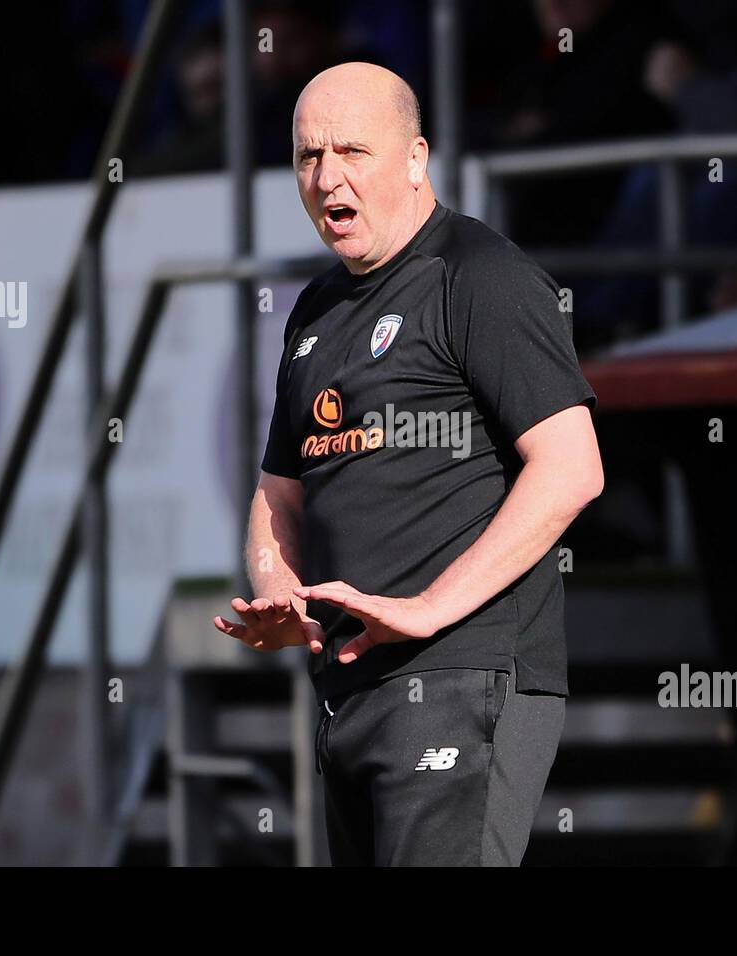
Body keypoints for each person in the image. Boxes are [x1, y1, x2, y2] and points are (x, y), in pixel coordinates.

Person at [212, 62, 604, 866]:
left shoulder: (480, 274)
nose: (326, 179)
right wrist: (277, 588)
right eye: (307, 156)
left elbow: (572, 466)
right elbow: (278, 491)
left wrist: (428, 606)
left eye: (352, 151)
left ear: (418, 158)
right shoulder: (316, 309)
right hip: (350, 692)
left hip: (465, 677)